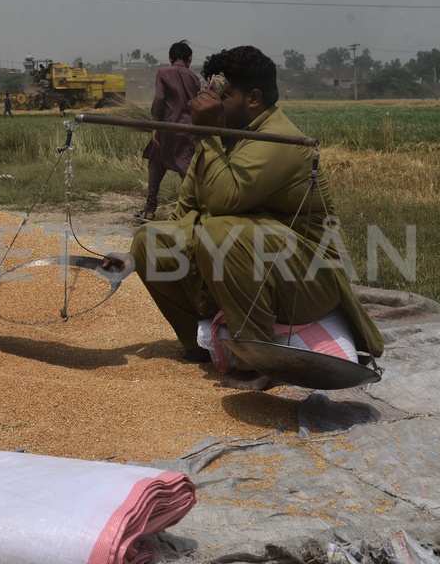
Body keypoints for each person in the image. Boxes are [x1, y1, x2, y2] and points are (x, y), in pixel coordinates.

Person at [104, 46, 383, 390]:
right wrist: (135, 258)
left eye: (223, 95)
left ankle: (258, 359)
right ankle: (202, 347)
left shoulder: (279, 139)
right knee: (151, 240)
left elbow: (223, 202)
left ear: (253, 99)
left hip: (306, 278)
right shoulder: (225, 138)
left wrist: (205, 134)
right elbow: (186, 211)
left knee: (224, 231)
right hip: (248, 265)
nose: (210, 103)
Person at [134, 41, 202, 224]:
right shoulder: (194, 78)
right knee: (186, 169)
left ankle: (149, 212)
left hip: (165, 128)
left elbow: (160, 99)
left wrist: (155, 124)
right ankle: (195, 211)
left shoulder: (163, 73)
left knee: (156, 166)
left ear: (170, 59)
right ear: (190, 59)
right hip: (186, 130)